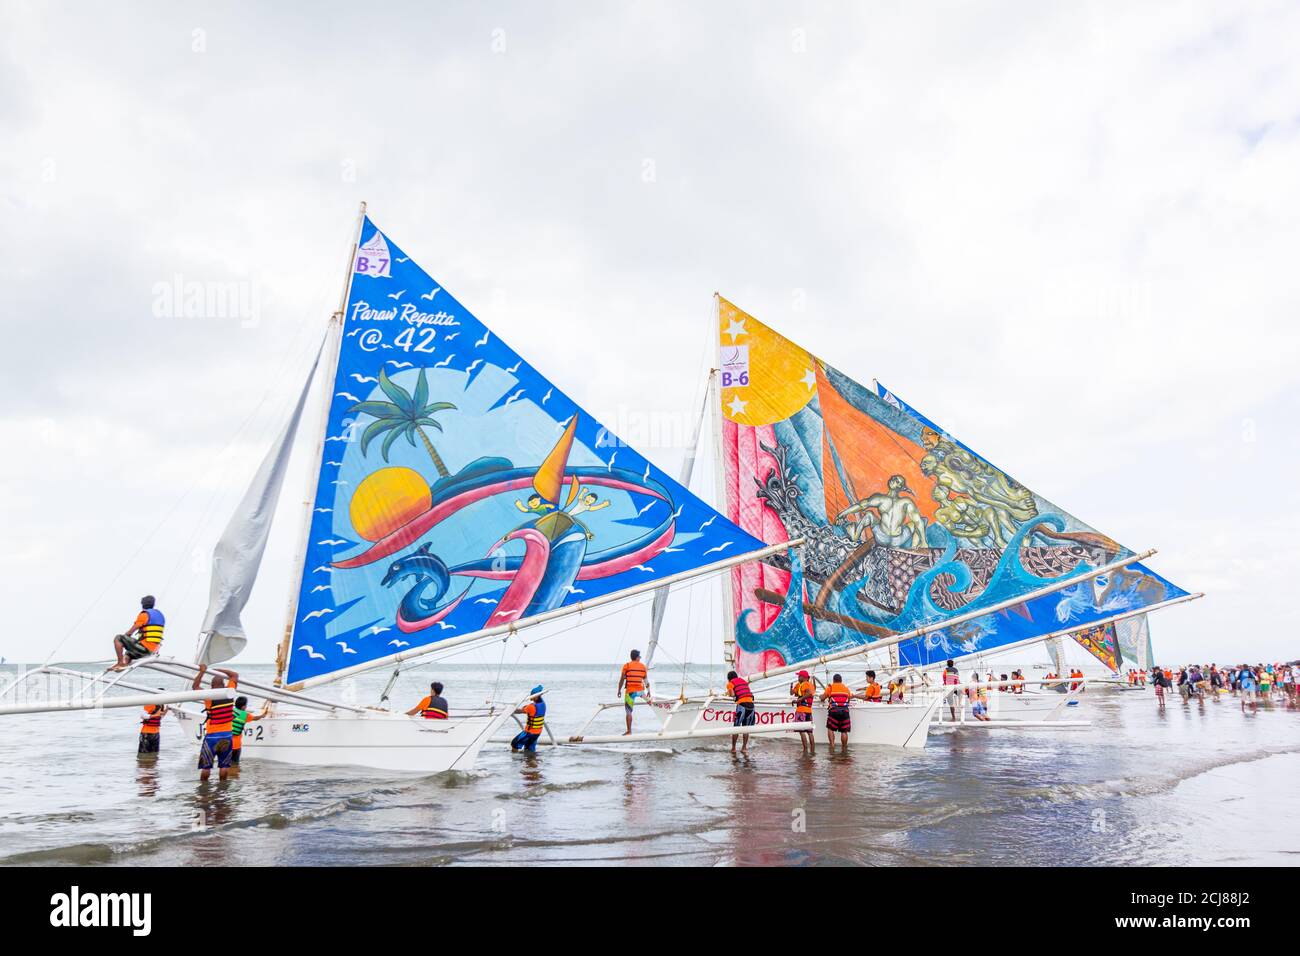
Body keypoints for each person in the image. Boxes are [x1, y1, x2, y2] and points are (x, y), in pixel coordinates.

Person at [192, 665, 239, 782]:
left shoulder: (209, 696)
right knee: (224, 765)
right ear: (224, 685)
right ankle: (222, 788)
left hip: (212, 736)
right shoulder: (230, 693)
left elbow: (195, 686)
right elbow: (234, 675)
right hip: (227, 736)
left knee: (206, 766)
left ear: (212, 687)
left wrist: (203, 672)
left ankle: (203, 788)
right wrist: (218, 670)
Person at [111, 595, 165, 671]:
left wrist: (123, 641)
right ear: (153, 604)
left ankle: (120, 663)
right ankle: (123, 665)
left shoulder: (144, 615)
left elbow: (130, 632)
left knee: (118, 638)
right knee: (128, 653)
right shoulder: (160, 615)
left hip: (145, 649)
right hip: (153, 650)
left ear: (142, 604)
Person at [618, 649, 651, 735]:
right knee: (650, 702)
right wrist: (649, 691)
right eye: (639, 656)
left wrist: (619, 690)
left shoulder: (627, 666)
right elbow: (646, 681)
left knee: (628, 712)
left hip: (630, 692)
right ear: (637, 657)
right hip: (640, 691)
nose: (640, 658)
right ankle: (652, 702)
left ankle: (629, 731)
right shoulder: (643, 667)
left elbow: (621, 679)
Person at [229, 696, 267, 768]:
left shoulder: (230, 711)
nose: (246, 706)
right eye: (246, 705)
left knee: (226, 764)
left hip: (227, 743)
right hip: (236, 745)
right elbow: (255, 718)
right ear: (243, 707)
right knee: (235, 765)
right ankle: (233, 777)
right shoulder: (245, 715)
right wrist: (262, 715)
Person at [725, 670, 755, 754]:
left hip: (742, 705)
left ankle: (733, 748)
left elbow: (732, 694)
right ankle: (744, 748)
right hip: (751, 706)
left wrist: (730, 694)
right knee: (746, 728)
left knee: (736, 728)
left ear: (729, 679)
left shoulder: (730, 683)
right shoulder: (743, 681)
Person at [822, 673, 853, 753]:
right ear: (841, 680)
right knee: (844, 731)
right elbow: (848, 699)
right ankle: (844, 748)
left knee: (830, 728)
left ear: (833, 680)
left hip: (834, 710)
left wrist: (820, 697)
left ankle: (832, 746)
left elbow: (823, 697)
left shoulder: (830, 687)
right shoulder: (846, 688)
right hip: (845, 711)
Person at [511, 686, 547, 752]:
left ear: (536, 696)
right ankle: (531, 760)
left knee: (514, 743)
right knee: (529, 748)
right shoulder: (543, 704)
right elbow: (528, 708)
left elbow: (520, 711)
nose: (531, 698)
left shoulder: (531, 707)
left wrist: (510, 710)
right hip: (537, 733)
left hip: (529, 733)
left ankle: (514, 760)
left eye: (532, 696)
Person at [790, 669, 816, 754]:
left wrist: (799, 700)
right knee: (809, 732)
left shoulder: (805, 684)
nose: (798, 677)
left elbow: (808, 693)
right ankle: (812, 751)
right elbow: (792, 693)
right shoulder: (802, 685)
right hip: (809, 711)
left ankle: (805, 750)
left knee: (801, 731)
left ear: (803, 677)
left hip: (801, 710)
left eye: (799, 676)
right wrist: (791, 686)